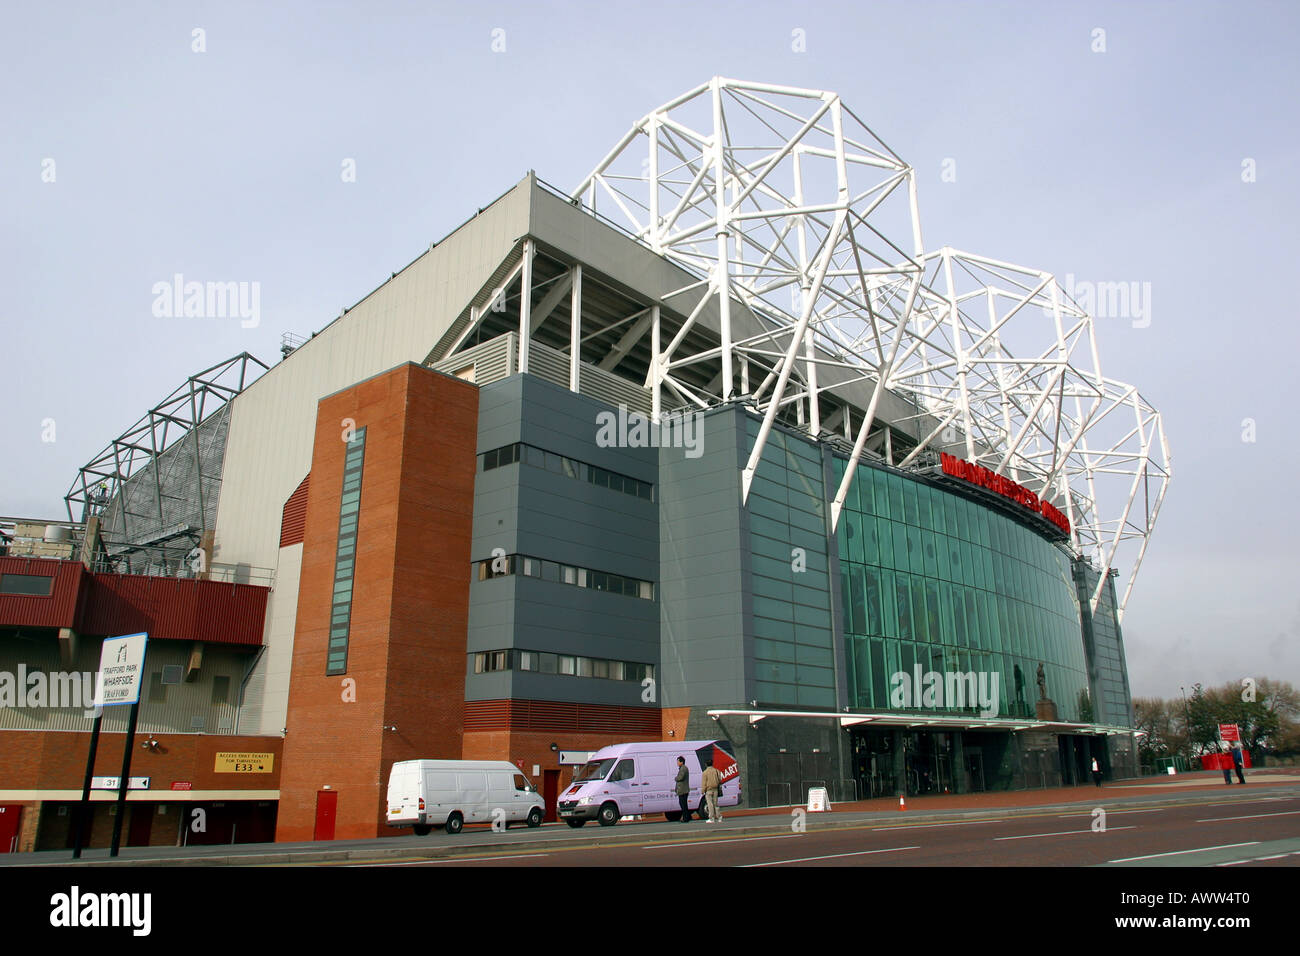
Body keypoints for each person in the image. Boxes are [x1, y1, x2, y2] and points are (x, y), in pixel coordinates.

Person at [675, 756, 692, 822]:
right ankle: (688, 816)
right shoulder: (682, 768)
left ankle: (686, 818)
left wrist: (676, 778)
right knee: (683, 804)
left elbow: (680, 777)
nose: (677, 763)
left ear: (681, 762)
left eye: (678, 761)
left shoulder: (683, 768)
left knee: (683, 804)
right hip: (682, 789)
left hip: (683, 790)